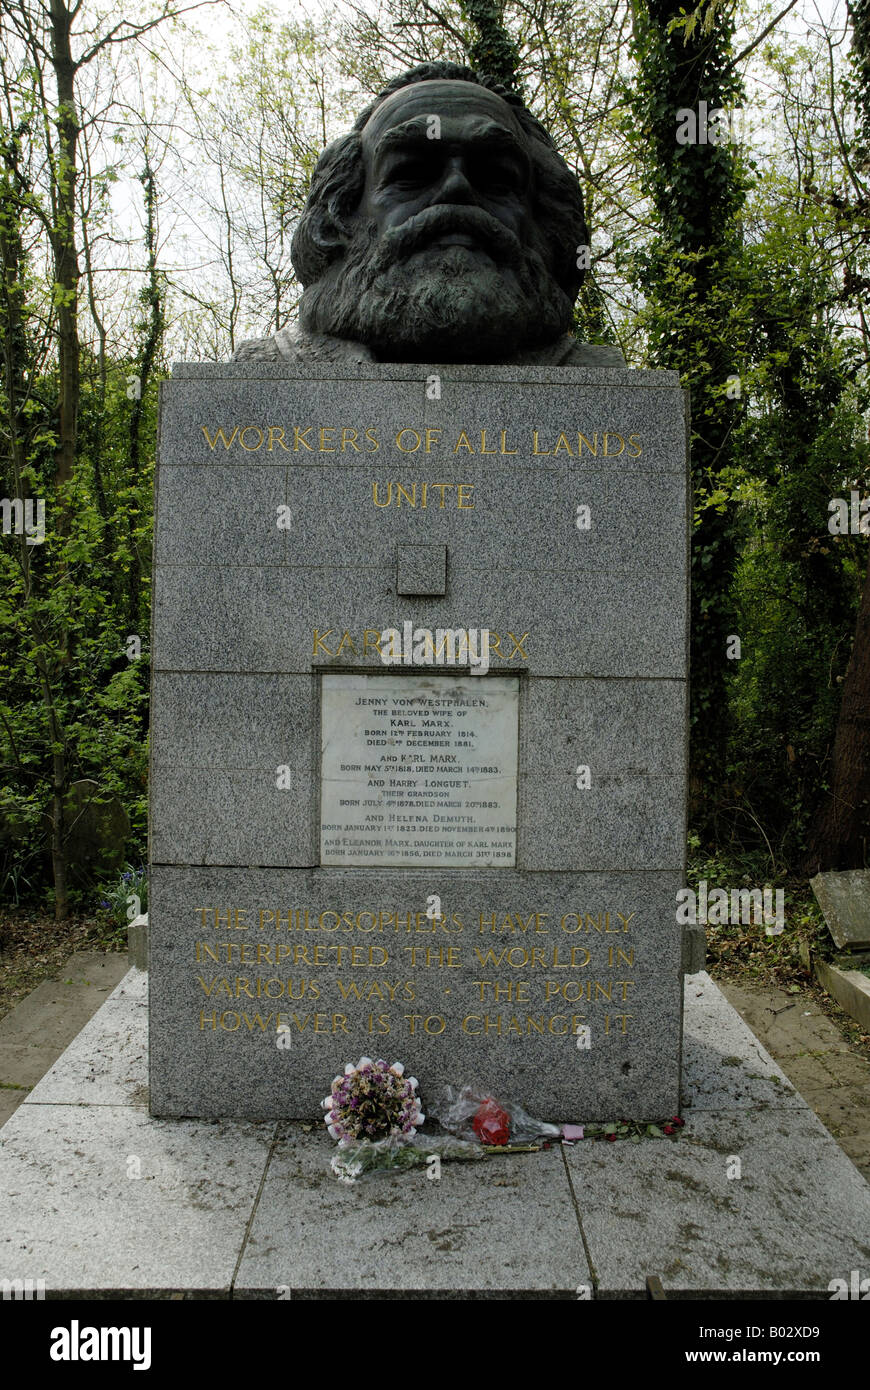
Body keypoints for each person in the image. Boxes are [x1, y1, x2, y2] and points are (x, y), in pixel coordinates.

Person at [233, 61, 623, 368]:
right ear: (341, 217)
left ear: (542, 219)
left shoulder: (600, 381)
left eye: (496, 178)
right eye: (413, 173)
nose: (456, 188)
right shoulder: (265, 371)